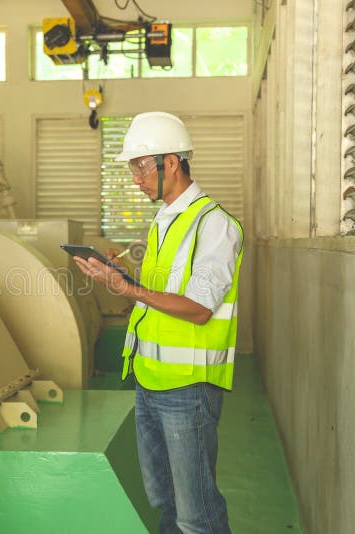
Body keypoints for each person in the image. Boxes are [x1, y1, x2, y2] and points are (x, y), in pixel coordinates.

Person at [73, 111, 242, 534]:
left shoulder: (214, 224)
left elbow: (199, 308)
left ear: (172, 163)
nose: (135, 178)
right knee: (165, 503)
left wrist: (128, 290)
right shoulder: (164, 219)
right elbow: (159, 291)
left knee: (196, 513)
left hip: (188, 386)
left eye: (141, 166)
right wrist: (119, 272)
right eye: (133, 168)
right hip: (150, 382)